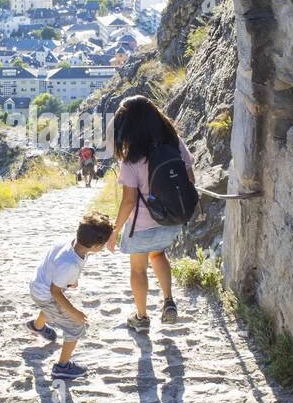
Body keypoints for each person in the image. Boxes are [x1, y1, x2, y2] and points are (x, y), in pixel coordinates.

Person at [106, 96, 195, 333]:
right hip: (171, 220)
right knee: (158, 255)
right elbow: (190, 180)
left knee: (138, 268)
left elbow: (129, 201)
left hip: (142, 225)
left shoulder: (132, 158)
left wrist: (114, 230)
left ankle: (142, 317)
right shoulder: (175, 143)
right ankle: (168, 301)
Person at [26, 212, 115, 379]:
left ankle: (37, 326)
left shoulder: (72, 243)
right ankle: (62, 367)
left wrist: (69, 282)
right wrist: (75, 313)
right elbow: (55, 292)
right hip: (47, 293)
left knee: (54, 309)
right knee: (75, 326)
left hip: (40, 285)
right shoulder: (70, 263)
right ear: (96, 246)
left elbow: (57, 269)